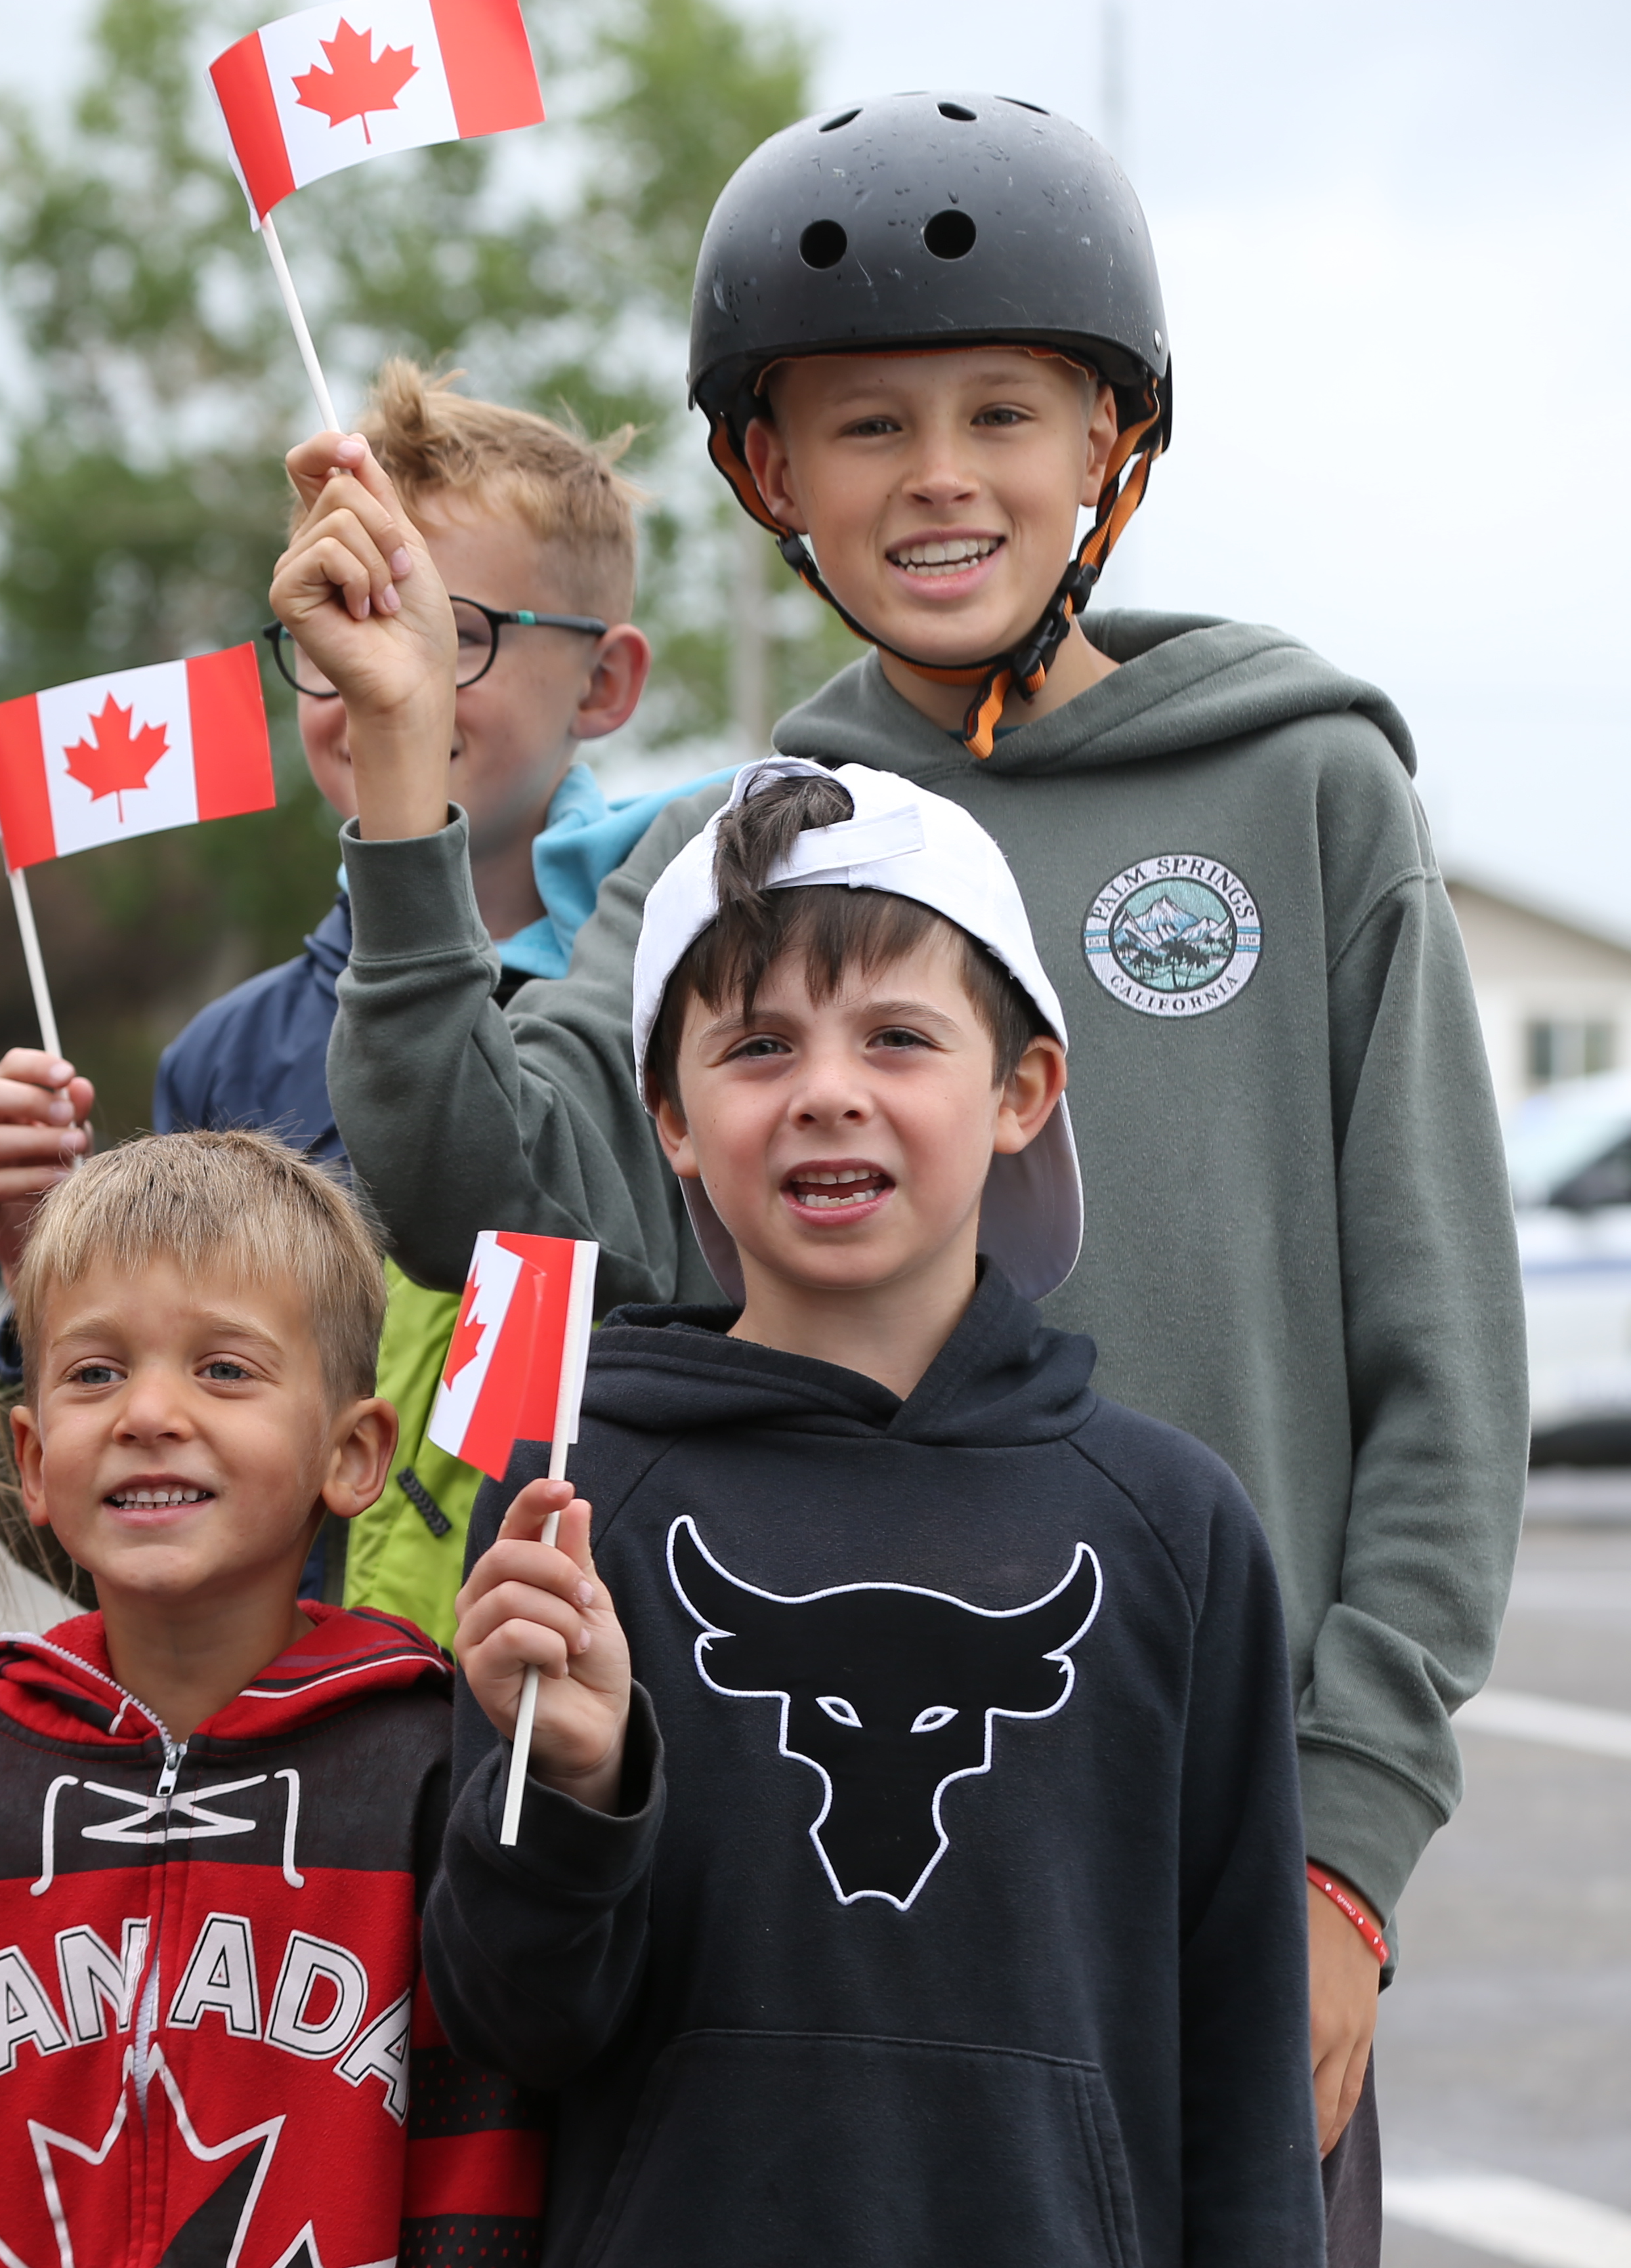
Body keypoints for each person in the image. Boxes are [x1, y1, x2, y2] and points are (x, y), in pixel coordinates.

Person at [287, 94, 1517, 2248]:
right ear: (769, 475)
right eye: (862, 426)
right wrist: (403, 783)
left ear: (1105, 444)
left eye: (999, 411)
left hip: (1203, 1868)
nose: (937, 476)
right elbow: (474, 1183)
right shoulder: (736, 851)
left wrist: (1343, 1849)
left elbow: (1441, 1371)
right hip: (807, 1940)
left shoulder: (1310, 785)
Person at [428, 760, 1319, 2263]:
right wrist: (573, 1788)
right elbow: (515, 2027)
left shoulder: (1177, 1527)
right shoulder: (576, 1505)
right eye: (759, 1045)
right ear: (674, 1122)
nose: (828, 1088)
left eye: (898, 1037)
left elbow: (1243, 2076)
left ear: (1023, 1090)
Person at [0, 363, 709, 1633]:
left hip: (588, 1700)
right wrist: (43, 1269)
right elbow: (140, 1506)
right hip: (307, 1742)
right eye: (337, 623)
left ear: (607, 684)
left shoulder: (688, 1000)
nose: (376, 675)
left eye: (449, 632)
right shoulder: (229, 1057)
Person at [0, 1131, 545, 2268]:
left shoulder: (425, 1765)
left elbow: (480, 2157)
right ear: (32, 1462)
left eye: (224, 1369)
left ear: (354, 1454)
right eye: (95, 1372)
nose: (147, 1413)